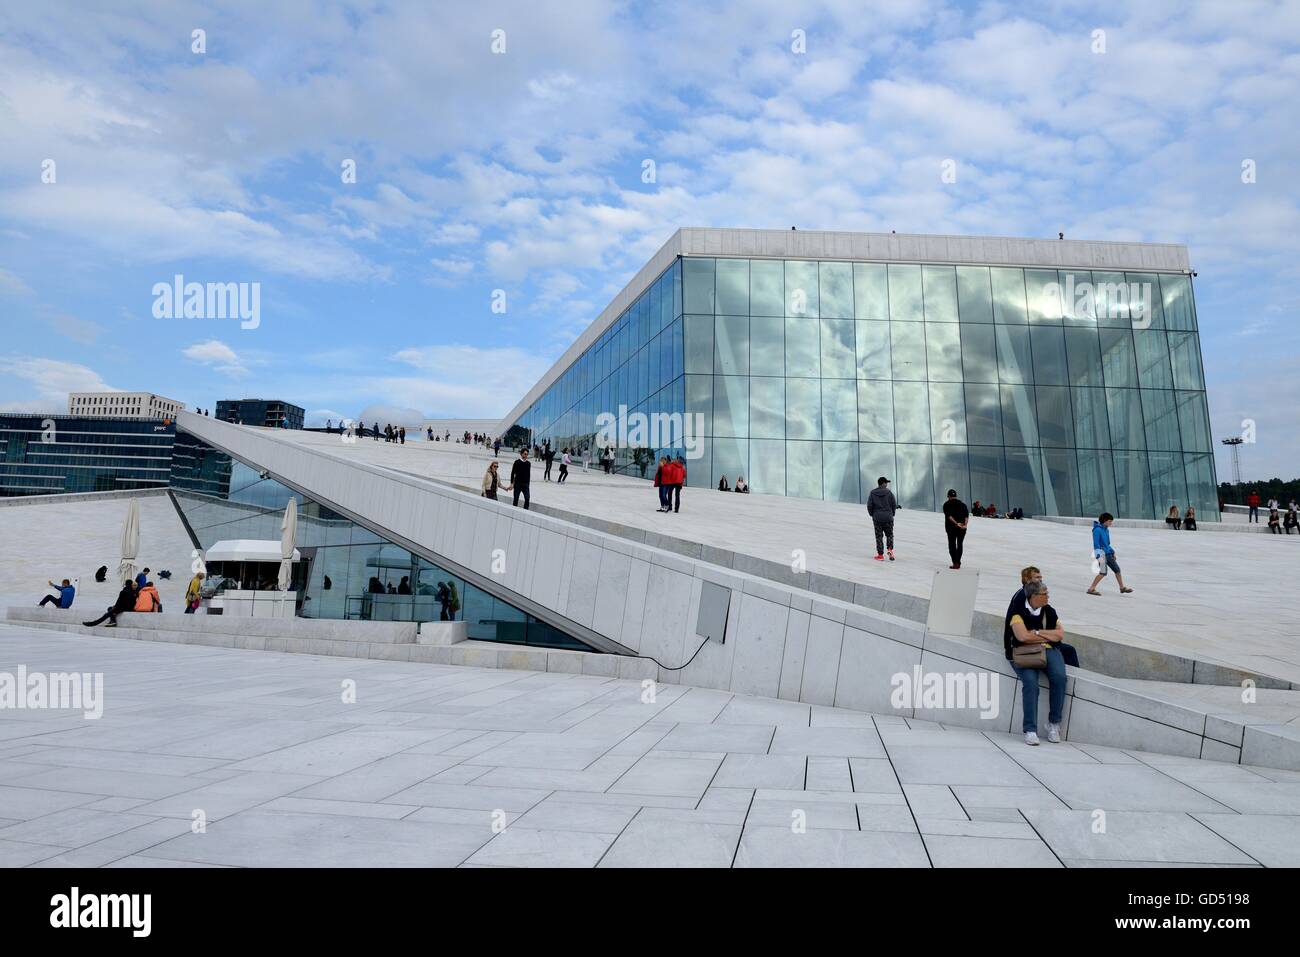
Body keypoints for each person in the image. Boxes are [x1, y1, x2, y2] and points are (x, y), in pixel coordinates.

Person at [1005, 580, 1068, 746]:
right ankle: (1030, 730)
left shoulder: (1050, 611)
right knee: (1031, 683)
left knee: (1059, 678)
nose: (1048, 596)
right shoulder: (1018, 611)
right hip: (1025, 653)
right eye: (1044, 594)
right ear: (1034, 596)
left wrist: (1038, 632)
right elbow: (1022, 637)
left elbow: (1060, 634)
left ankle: (1053, 724)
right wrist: (1048, 635)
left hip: (1048, 650)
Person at [1087, 512, 1133, 595]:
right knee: (1103, 572)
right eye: (1110, 521)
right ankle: (1091, 588)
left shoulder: (1106, 530)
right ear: (1105, 520)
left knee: (1117, 570)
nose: (1111, 523)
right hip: (1101, 554)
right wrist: (1099, 555)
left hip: (1108, 554)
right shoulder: (1097, 530)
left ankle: (1122, 588)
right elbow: (1096, 544)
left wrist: (1113, 551)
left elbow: (1107, 544)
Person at [866, 476, 898, 561]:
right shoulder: (889, 493)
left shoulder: (872, 493)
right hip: (888, 518)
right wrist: (892, 514)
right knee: (889, 535)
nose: (887, 484)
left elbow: (869, 505)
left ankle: (880, 555)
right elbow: (893, 504)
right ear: (882, 483)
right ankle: (890, 550)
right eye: (886, 482)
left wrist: (872, 514)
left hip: (877, 518)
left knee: (879, 536)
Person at [942, 489, 969, 569]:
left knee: (952, 545)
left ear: (948, 496)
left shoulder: (946, 504)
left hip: (951, 528)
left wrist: (956, 523)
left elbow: (949, 516)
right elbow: (966, 516)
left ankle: (955, 563)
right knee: (960, 544)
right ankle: (958, 562)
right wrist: (965, 525)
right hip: (962, 528)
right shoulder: (963, 504)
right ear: (956, 496)